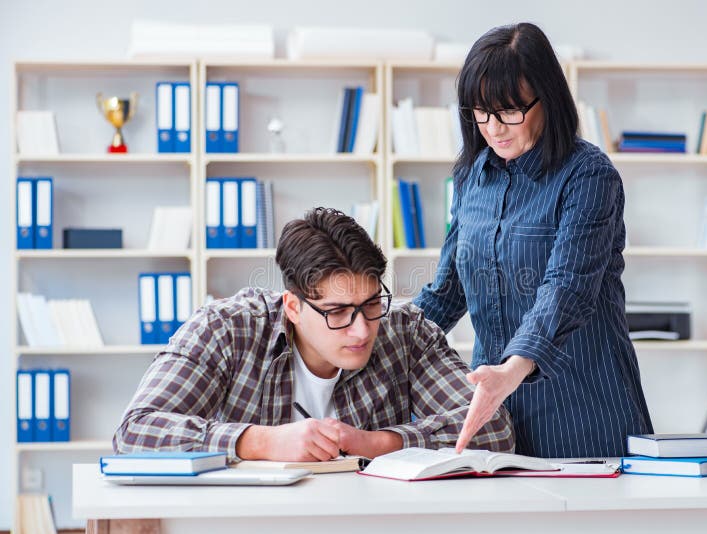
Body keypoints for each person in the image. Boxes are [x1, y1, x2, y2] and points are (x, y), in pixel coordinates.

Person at [413, 22, 653, 458]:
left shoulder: (588, 176)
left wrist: (513, 369)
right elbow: (447, 293)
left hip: (584, 415)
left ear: (548, 97)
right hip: (494, 417)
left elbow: (566, 289)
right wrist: (373, 338)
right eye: (480, 112)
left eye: (509, 111)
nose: (493, 128)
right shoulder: (471, 177)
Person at [113, 208, 514, 462]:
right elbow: (135, 432)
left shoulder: (406, 332)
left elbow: (493, 427)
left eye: (371, 304)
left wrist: (377, 443)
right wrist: (261, 442)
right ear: (293, 307)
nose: (362, 329)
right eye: (337, 312)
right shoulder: (225, 329)